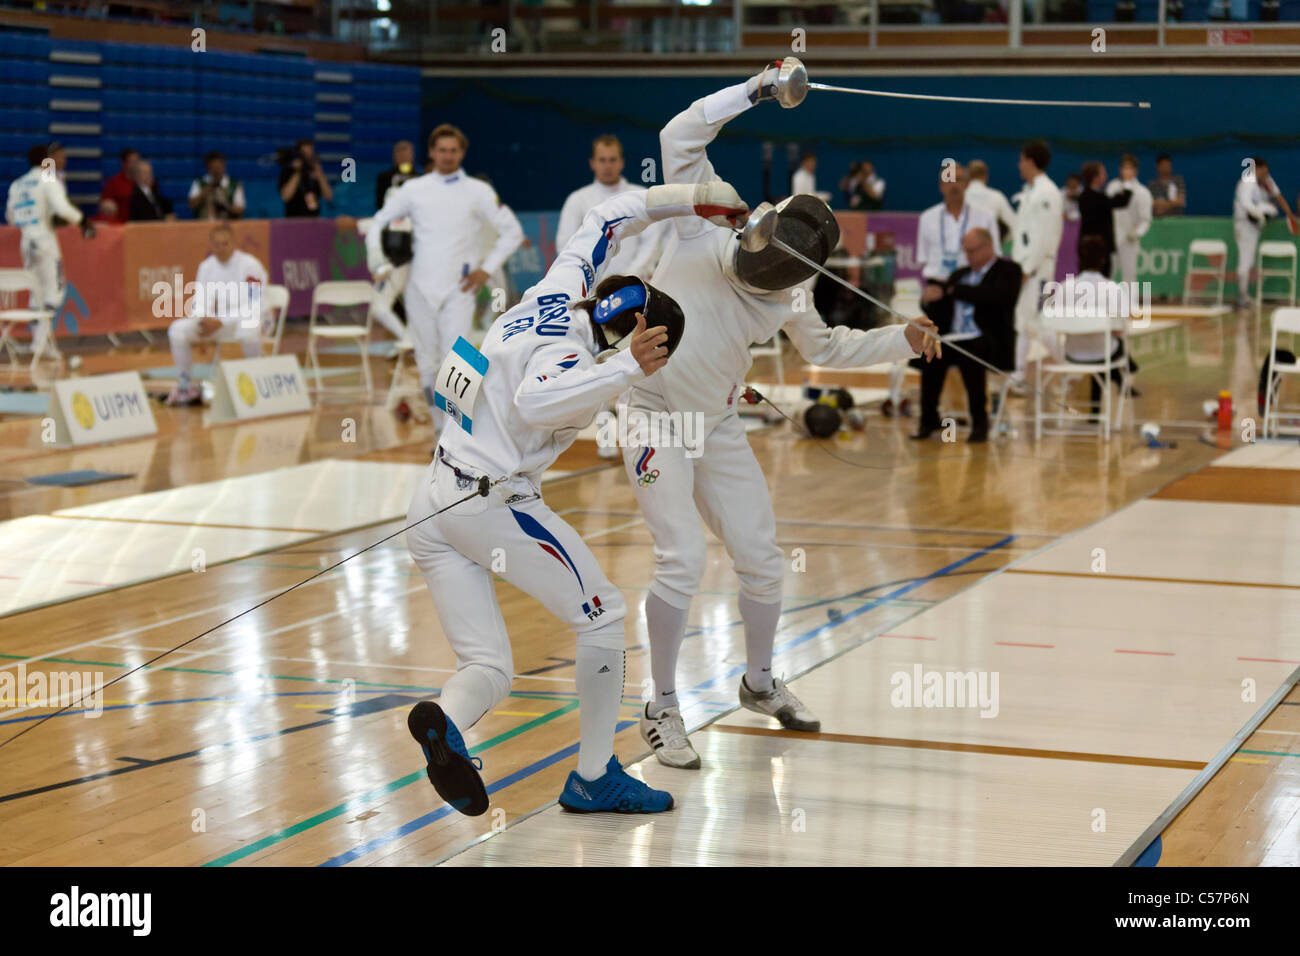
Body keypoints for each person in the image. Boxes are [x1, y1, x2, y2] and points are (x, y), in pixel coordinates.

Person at [626, 61, 940, 770]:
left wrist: (906, 338)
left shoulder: (790, 295)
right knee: (679, 558)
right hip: (651, 419)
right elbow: (679, 132)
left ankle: (759, 684)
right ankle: (662, 705)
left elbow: (829, 345)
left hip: (717, 424)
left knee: (762, 560)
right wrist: (759, 88)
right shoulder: (705, 218)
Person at [404, 180, 749, 816]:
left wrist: (698, 196)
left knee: (487, 662)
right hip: (489, 502)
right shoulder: (571, 357)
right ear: (640, 334)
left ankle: (445, 723)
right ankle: (593, 777)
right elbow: (537, 398)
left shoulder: (557, 288)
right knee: (604, 615)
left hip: (431, 502)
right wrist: (624, 369)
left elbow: (609, 214)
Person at [366, 124, 524, 428]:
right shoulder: (413, 190)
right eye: (442, 150)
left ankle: (458, 432)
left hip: (459, 290)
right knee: (426, 364)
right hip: (419, 289)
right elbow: (378, 223)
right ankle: (440, 433)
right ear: (431, 152)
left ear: (462, 153)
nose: (447, 156)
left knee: (459, 362)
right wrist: (377, 260)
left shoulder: (478, 192)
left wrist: (485, 269)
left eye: (453, 150)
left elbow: (512, 232)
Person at [914, 227, 1020, 443]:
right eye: (966, 251)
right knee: (931, 354)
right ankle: (928, 419)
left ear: (988, 246)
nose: (969, 256)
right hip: (954, 339)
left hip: (989, 341)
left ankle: (980, 423)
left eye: (973, 250)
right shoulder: (959, 275)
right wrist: (928, 300)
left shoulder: (1008, 271)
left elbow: (998, 298)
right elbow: (938, 313)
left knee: (972, 353)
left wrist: (955, 291)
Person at [165, 224, 268, 405]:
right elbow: (200, 301)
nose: (221, 249)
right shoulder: (206, 267)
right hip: (216, 324)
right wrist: (202, 320)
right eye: (217, 245)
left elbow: (256, 304)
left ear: (234, 243)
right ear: (210, 245)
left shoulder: (250, 265)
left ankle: (256, 379)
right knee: (177, 330)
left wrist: (221, 321)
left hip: (249, 320)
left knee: (248, 329)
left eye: (225, 244)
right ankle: (185, 385)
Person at [5, 144, 96, 349]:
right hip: (45, 242)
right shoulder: (47, 179)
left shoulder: (17, 184)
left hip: (26, 242)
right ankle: (39, 343)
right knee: (55, 290)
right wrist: (83, 221)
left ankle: (40, 342)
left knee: (36, 291)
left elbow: (11, 217)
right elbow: (63, 208)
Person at [555, 135, 664, 280]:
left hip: (635, 284)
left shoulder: (640, 195)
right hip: (591, 289)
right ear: (592, 163)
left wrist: (629, 277)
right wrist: (589, 279)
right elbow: (566, 246)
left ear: (622, 163)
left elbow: (652, 242)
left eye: (612, 160)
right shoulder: (577, 200)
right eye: (602, 160)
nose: (607, 166)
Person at [1062, 234, 1139, 409]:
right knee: (1111, 346)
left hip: (1071, 354)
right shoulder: (1113, 290)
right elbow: (1119, 331)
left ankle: (1097, 407)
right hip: (1102, 353)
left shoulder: (1064, 288)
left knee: (1104, 346)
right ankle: (1122, 374)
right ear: (1104, 260)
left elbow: (1050, 326)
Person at [1011, 140, 1064, 377]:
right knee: (1023, 321)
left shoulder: (1047, 193)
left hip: (1038, 269)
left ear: (1031, 161)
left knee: (1038, 323)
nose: (1019, 164)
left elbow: (1043, 237)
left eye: (1021, 160)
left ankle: (1069, 365)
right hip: (1026, 266)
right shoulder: (1031, 191)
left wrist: (1027, 269)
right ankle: (1019, 373)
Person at [916, 163, 998, 285]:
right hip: (938, 286)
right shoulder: (927, 218)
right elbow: (924, 258)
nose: (954, 185)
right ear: (941, 186)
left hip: (974, 285)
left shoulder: (986, 217)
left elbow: (994, 256)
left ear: (967, 185)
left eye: (958, 179)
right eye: (949, 180)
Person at [1234, 158, 1280, 306]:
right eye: (1264, 172)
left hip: (1252, 226)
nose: (1265, 175)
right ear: (1257, 170)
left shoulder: (1258, 186)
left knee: (1248, 260)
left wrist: (1266, 213)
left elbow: (1263, 203)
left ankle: (1244, 295)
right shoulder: (1247, 183)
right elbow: (1247, 205)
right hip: (1245, 225)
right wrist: (1260, 216)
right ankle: (1242, 296)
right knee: (1245, 261)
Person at [1076, 161, 1129, 274]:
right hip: (1099, 247)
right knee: (1101, 281)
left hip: (1086, 245)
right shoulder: (1097, 198)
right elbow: (1121, 201)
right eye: (1103, 173)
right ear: (1096, 178)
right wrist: (1127, 183)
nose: (1106, 176)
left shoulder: (1084, 196)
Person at [1107, 154, 1152, 286]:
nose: (1126, 171)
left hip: (1129, 239)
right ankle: (1106, 304)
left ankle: (1129, 305)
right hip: (1112, 238)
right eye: (1124, 168)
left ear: (1135, 170)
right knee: (1109, 273)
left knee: (1129, 274)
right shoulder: (1112, 187)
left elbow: (1146, 219)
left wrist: (1137, 233)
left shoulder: (1142, 192)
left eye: (1129, 168)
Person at [965, 159, 1017, 246]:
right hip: (990, 250)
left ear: (968, 176)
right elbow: (1014, 225)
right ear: (986, 176)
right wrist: (1001, 241)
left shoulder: (959, 198)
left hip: (964, 250)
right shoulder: (997, 196)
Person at [278, 139, 333, 217]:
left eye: (310, 153)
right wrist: (297, 173)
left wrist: (320, 175)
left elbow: (329, 196)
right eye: (304, 154)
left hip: (314, 220)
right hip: (293, 221)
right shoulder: (288, 171)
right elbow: (286, 197)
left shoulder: (315, 171)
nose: (307, 157)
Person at [188, 151, 245, 221]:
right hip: (204, 224)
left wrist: (226, 206)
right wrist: (207, 189)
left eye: (218, 167)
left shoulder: (234, 185)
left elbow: (240, 210)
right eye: (213, 167)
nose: (216, 171)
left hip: (226, 225)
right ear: (207, 167)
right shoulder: (199, 183)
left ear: (224, 166)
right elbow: (191, 205)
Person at [375, 140, 416, 213]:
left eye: (406, 156)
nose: (404, 159)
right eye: (401, 156)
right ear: (394, 157)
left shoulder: (420, 178)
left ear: (412, 156)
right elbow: (380, 205)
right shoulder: (384, 177)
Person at [99, 148, 137, 224]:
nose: (135, 165)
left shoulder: (142, 183)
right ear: (123, 163)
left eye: (137, 161)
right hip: (121, 225)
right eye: (132, 162)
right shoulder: (114, 183)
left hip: (139, 224)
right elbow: (105, 207)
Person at [1148, 153, 1186, 218]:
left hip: (1176, 220)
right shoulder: (1152, 184)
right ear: (1158, 167)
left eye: (1168, 165)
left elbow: (1181, 201)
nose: (1165, 168)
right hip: (1158, 221)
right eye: (1163, 166)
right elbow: (1150, 203)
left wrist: (1161, 204)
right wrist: (1172, 203)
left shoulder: (1178, 180)